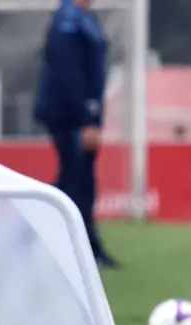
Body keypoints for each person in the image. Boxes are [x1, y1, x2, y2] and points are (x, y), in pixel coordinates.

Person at [34, 0, 117, 268]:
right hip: (69, 117)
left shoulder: (84, 19)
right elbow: (70, 75)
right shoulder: (68, 22)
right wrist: (85, 120)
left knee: (80, 180)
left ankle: (87, 245)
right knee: (74, 180)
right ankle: (36, 230)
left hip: (82, 116)